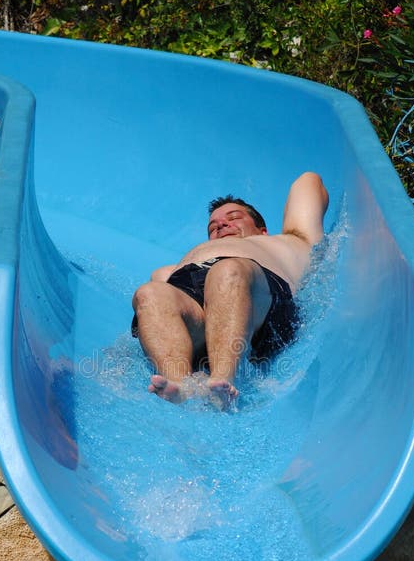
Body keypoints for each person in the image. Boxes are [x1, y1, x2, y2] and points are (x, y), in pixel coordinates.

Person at [131, 171, 329, 407]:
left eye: (234, 217)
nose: (222, 224)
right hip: (196, 301)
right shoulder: (178, 265)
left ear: (262, 229)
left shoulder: (293, 239)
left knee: (227, 271)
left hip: (256, 294)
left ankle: (222, 384)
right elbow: (160, 286)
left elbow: (309, 181)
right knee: (150, 293)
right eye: (212, 227)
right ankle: (179, 387)